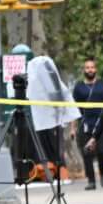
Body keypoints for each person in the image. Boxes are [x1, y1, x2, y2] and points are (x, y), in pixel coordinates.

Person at [21, 44, 82, 178]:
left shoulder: (55, 86)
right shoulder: (36, 88)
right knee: (44, 152)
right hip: (40, 124)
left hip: (54, 124)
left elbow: (68, 105)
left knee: (57, 154)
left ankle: (59, 175)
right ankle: (45, 173)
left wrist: (72, 126)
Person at [70, 54, 103, 189]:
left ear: (96, 69)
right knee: (87, 154)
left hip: (101, 124)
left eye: (92, 67)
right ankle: (91, 181)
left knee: (102, 151)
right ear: (84, 70)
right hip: (85, 124)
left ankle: (102, 172)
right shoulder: (78, 87)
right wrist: (73, 128)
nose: (90, 70)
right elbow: (74, 109)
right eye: (87, 68)